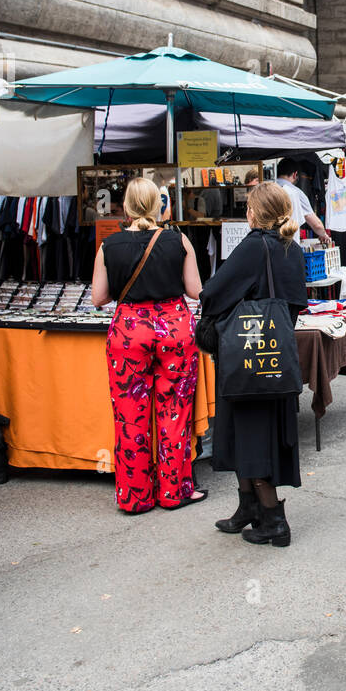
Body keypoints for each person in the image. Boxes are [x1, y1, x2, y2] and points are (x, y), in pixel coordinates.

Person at [199, 182, 307, 546]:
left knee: (250, 436)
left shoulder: (252, 246)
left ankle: (274, 519)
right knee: (255, 434)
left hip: (247, 358)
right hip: (275, 356)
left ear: (252, 213)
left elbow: (212, 293)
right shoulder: (292, 248)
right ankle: (249, 507)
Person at [91, 177, 203, 514]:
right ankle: (174, 491)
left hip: (129, 332)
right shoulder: (178, 240)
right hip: (174, 328)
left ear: (124, 207)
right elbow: (196, 290)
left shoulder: (108, 246)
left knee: (129, 415)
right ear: (159, 206)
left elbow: (99, 297)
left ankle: (135, 497)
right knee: (175, 412)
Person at [275, 157, 331, 246]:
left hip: (268, 244)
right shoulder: (295, 192)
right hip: (289, 245)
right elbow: (316, 224)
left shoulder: (267, 189)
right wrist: (323, 234)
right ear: (295, 174)